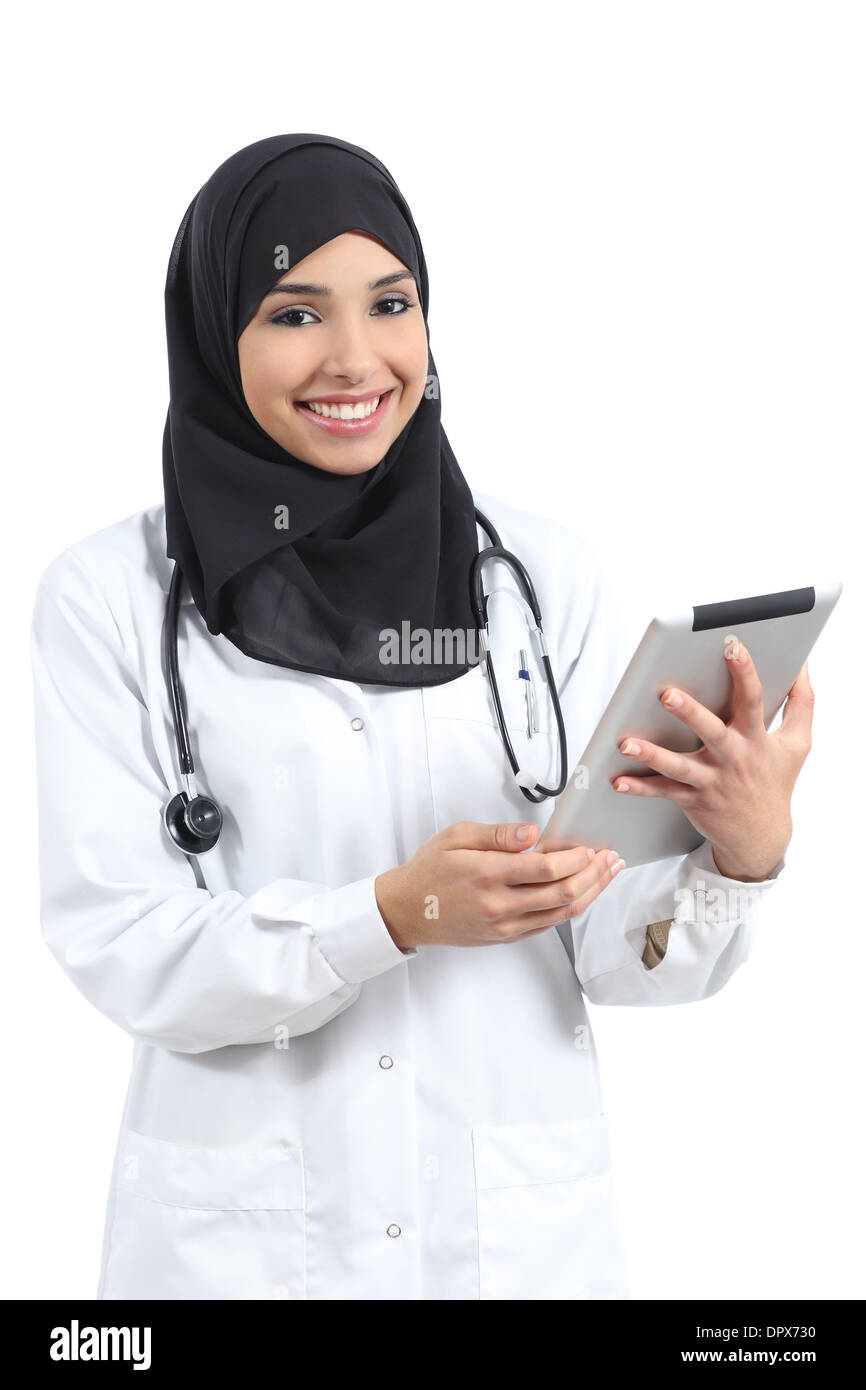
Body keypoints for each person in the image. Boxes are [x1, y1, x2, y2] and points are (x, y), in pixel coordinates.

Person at [29, 133, 811, 1301]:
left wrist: (739, 853)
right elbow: (123, 946)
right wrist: (385, 917)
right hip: (239, 1255)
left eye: (390, 303)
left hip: (511, 1250)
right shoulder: (113, 598)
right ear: (212, 330)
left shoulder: (538, 581)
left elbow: (615, 953)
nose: (356, 358)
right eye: (294, 313)